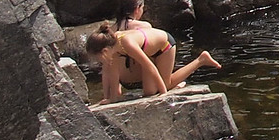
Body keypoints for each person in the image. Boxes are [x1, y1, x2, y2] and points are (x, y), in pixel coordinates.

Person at [86, 24, 219, 102]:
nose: (99, 62)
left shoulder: (127, 43)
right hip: (149, 53)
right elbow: (109, 73)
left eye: (98, 58)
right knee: (149, 92)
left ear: (104, 51)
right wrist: (109, 98)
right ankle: (171, 83)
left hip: (164, 47)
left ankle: (201, 60)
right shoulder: (112, 47)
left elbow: (149, 67)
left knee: (162, 86)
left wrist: (164, 93)